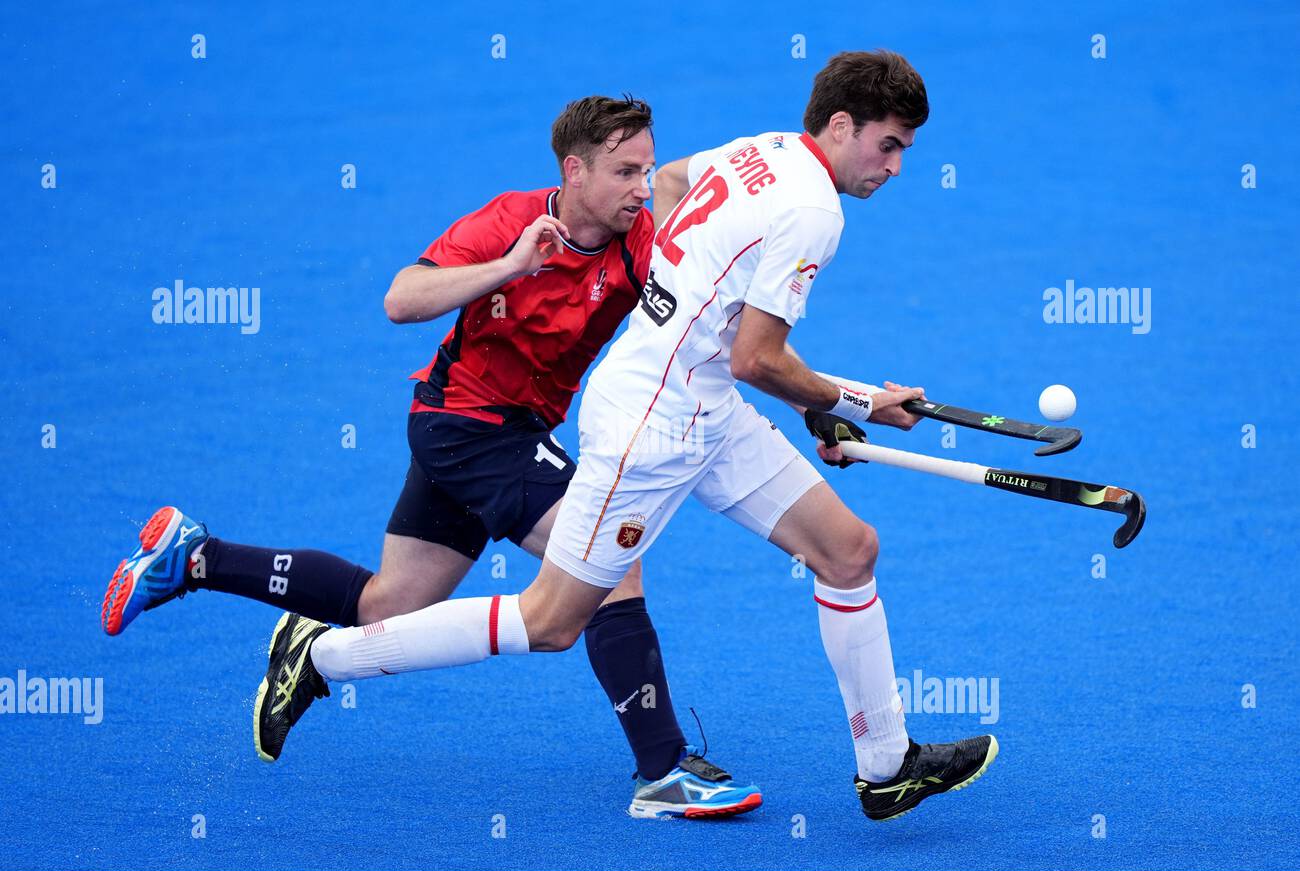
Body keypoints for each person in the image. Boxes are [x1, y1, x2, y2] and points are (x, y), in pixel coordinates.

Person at [258, 51, 999, 822]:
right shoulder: (817, 212)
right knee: (550, 620)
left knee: (848, 550)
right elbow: (757, 358)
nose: (898, 166)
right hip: (653, 426)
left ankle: (886, 765)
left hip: (704, 403)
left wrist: (809, 399)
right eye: (891, 144)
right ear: (841, 126)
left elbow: (681, 210)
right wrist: (858, 399)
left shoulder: (765, 148)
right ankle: (325, 655)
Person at [100, 94, 761, 820]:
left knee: (390, 602)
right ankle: (663, 770)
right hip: (466, 425)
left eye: (649, 168)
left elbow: (720, 335)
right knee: (609, 565)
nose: (644, 186)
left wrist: (827, 398)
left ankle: (195, 558)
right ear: (574, 172)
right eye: (625, 171)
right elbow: (401, 299)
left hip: (493, 433)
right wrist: (509, 267)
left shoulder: (638, 243)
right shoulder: (510, 220)